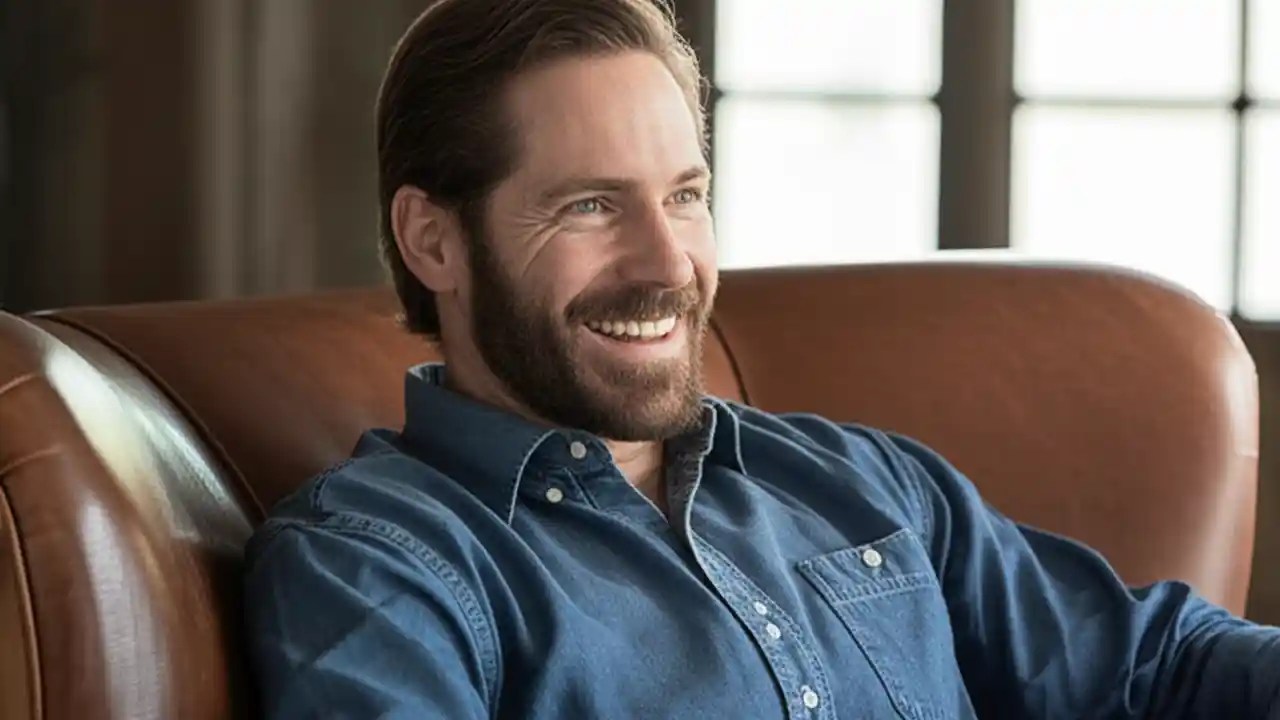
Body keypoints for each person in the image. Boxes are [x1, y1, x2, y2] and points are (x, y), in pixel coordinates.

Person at [242, 0, 1280, 717]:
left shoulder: (862, 480)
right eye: (591, 206)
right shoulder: (376, 563)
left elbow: (1158, 666)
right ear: (433, 241)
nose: (668, 263)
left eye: (684, 195)